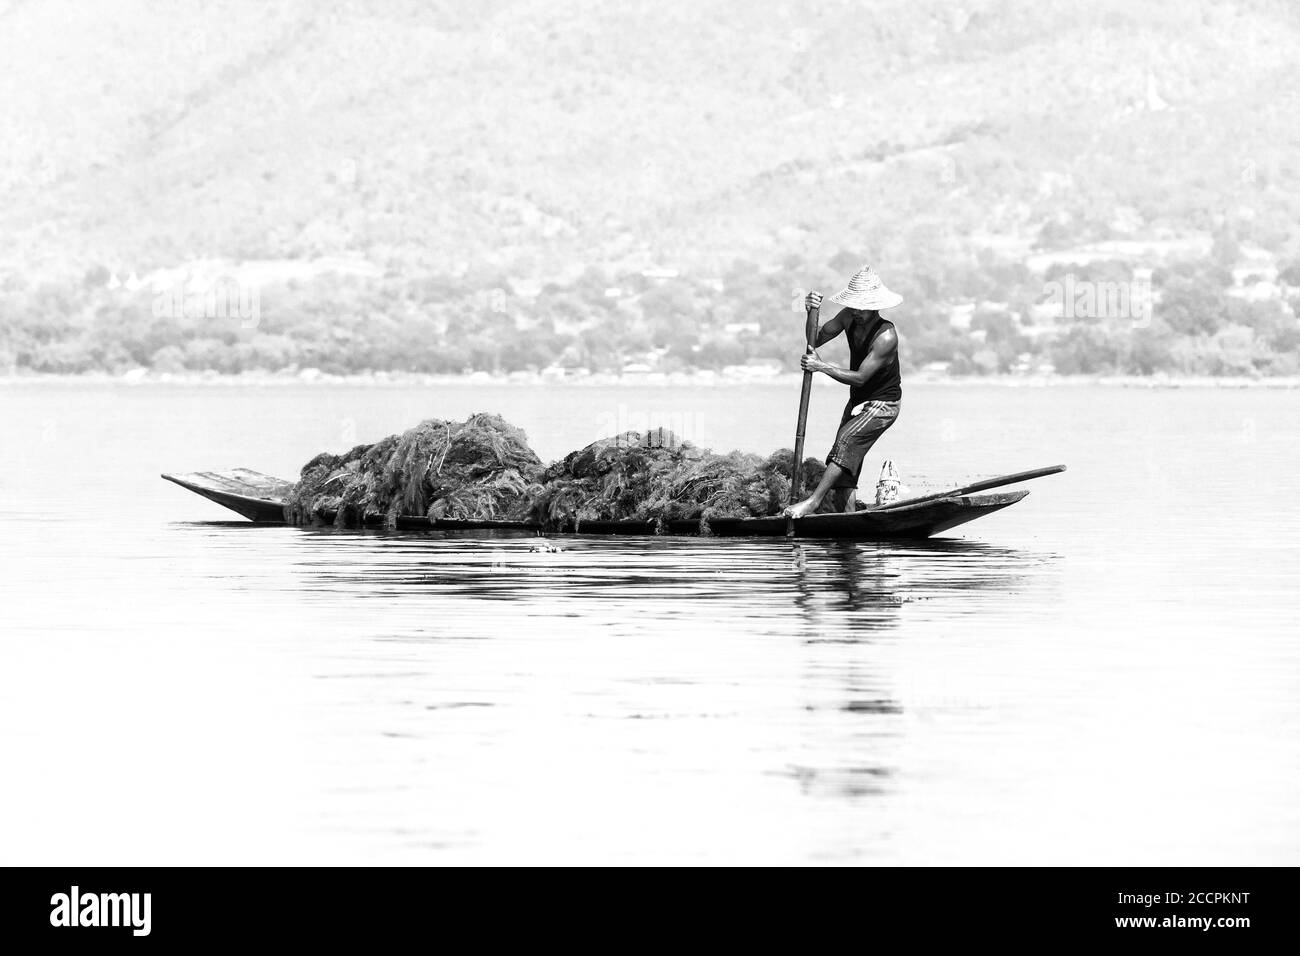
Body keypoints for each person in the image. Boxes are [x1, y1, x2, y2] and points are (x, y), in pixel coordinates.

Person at [784, 265, 903, 517]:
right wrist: (810, 312)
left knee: (845, 443)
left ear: (875, 306)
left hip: (883, 404)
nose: (858, 311)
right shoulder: (848, 316)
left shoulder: (886, 336)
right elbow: (814, 340)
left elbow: (860, 378)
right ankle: (847, 519)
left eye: (863, 307)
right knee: (846, 467)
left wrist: (820, 366)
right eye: (855, 305)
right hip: (858, 401)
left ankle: (813, 502)